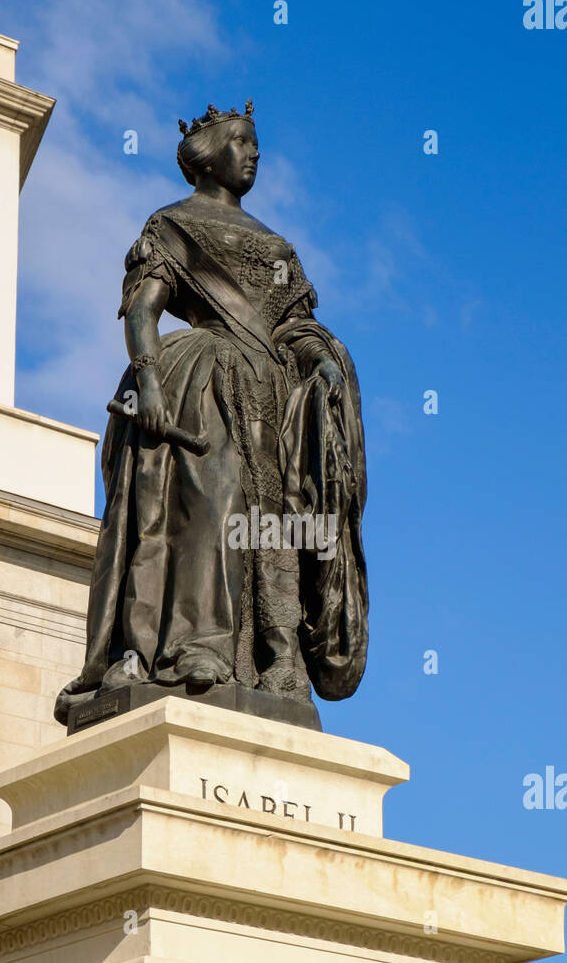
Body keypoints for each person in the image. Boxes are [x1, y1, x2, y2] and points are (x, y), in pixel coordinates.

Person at [55, 101, 367, 725]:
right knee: (210, 508)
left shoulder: (276, 245)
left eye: (256, 143)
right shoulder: (172, 225)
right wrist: (148, 382)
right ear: (205, 155)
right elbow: (143, 309)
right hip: (201, 385)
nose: (255, 152)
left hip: (273, 399)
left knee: (275, 525)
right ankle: (194, 647)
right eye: (242, 141)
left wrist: (325, 363)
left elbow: (295, 325)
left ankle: (275, 661)